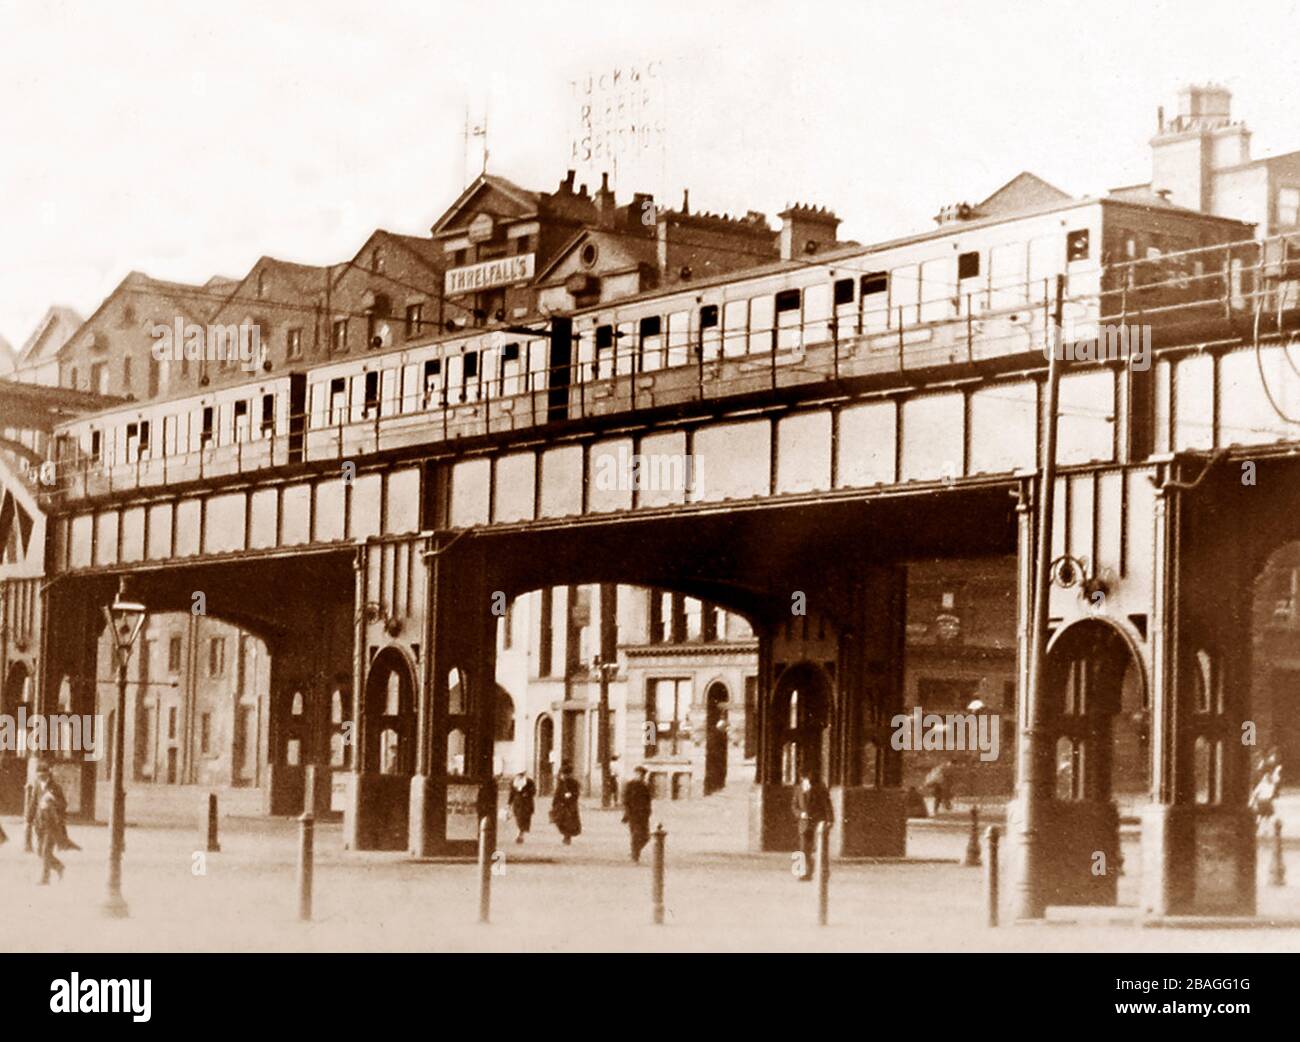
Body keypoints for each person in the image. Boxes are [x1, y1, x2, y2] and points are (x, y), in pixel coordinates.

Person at [31, 763, 73, 885]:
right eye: (39, 775)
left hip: (52, 824)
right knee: (39, 851)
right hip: (40, 823)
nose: (41, 778)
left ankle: (45, 878)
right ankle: (59, 867)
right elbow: (33, 803)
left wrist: (53, 801)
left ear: (48, 775)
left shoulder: (55, 787)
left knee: (45, 851)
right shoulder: (37, 786)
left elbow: (63, 804)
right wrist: (29, 819)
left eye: (43, 775)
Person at [791, 771, 834, 881]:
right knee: (802, 849)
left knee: (821, 849)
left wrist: (830, 820)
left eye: (807, 779)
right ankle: (803, 873)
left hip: (818, 823)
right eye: (804, 779)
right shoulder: (798, 789)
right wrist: (800, 814)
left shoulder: (820, 788)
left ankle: (824, 873)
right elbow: (794, 806)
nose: (805, 782)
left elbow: (827, 804)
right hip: (804, 823)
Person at [621, 766, 653, 863]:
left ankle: (635, 851)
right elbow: (626, 800)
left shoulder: (645, 786)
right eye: (638, 774)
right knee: (636, 834)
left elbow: (648, 800)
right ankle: (635, 855)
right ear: (635, 774)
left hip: (643, 814)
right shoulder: (630, 785)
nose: (640, 776)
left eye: (642, 775)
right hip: (633, 813)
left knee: (646, 837)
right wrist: (627, 813)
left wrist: (649, 811)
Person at [550, 761, 582, 845]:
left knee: (569, 822)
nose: (565, 776)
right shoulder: (561, 783)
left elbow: (576, 793)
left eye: (567, 774)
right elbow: (557, 793)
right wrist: (554, 803)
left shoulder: (574, 783)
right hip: (561, 804)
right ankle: (565, 835)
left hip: (570, 805)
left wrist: (571, 795)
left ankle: (567, 837)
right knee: (560, 821)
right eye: (564, 774)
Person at [507, 772, 536, 844]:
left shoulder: (529, 781)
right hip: (517, 804)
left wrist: (527, 793)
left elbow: (533, 791)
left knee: (523, 819)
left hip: (526, 804)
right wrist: (509, 803)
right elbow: (512, 793)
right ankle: (520, 834)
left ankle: (520, 834)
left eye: (521, 774)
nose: (519, 776)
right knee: (518, 819)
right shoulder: (513, 782)